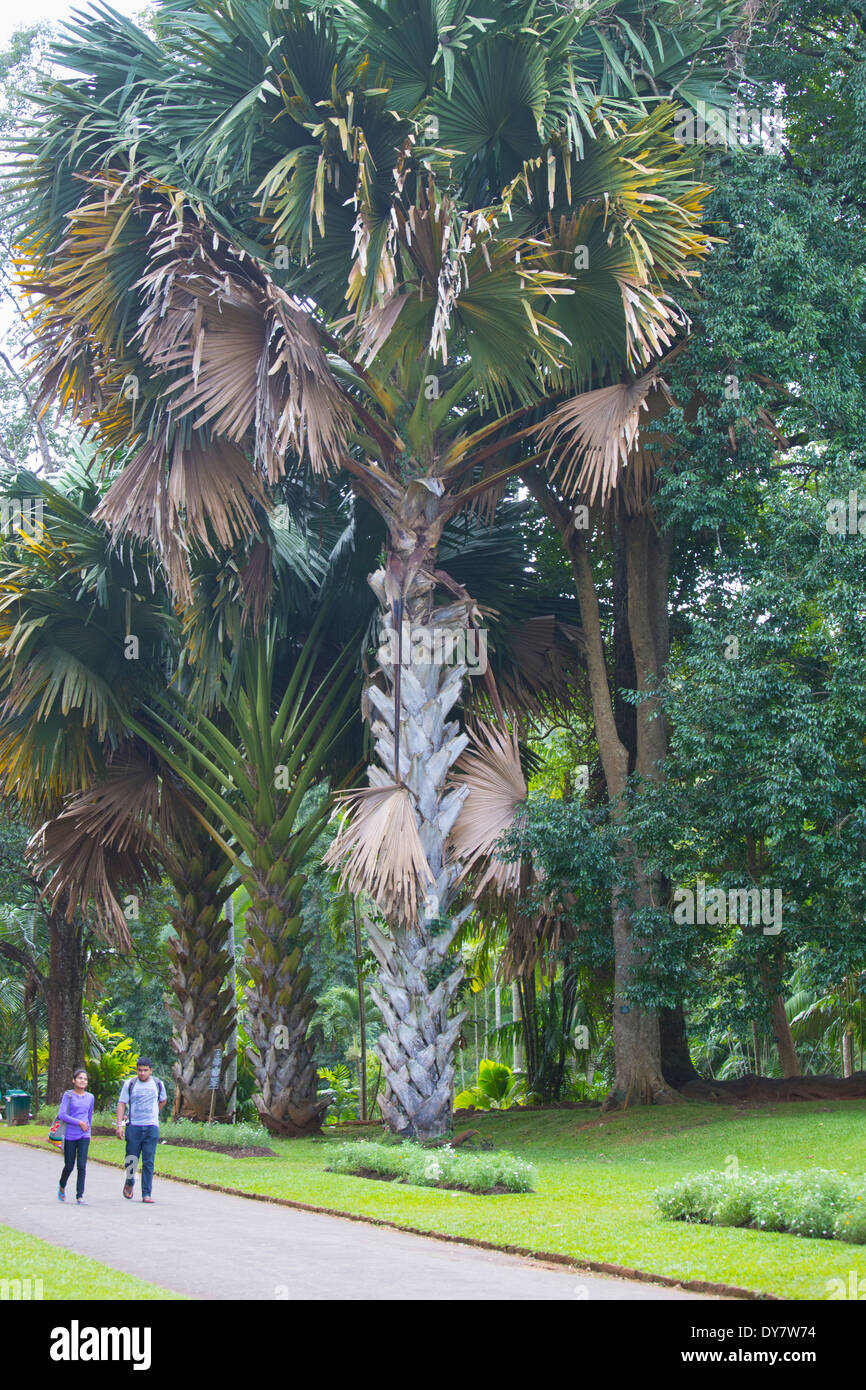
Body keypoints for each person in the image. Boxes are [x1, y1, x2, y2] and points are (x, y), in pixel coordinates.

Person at [116, 1057, 167, 1204]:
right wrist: (119, 1125)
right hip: (134, 1126)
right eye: (140, 1070)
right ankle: (130, 1181)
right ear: (136, 1070)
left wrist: (154, 1112)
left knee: (148, 1161)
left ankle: (146, 1193)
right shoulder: (130, 1084)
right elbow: (122, 1104)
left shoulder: (157, 1084)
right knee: (131, 1158)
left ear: (151, 1071)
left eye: (145, 1070)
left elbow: (163, 1100)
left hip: (151, 1126)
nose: (142, 1073)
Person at [56, 1066, 94, 1205]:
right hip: (70, 1135)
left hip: (84, 1135)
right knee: (69, 1165)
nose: (82, 1081)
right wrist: (79, 1122)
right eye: (80, 1078)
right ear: (74, 1080)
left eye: (85, 1079)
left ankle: (80, 1195)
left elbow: (89, 1116)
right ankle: (62, 1184)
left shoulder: (90, 1097)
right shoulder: (68, 1095)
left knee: (82, 1165)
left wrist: (87, 1128)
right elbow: (62, 1115)